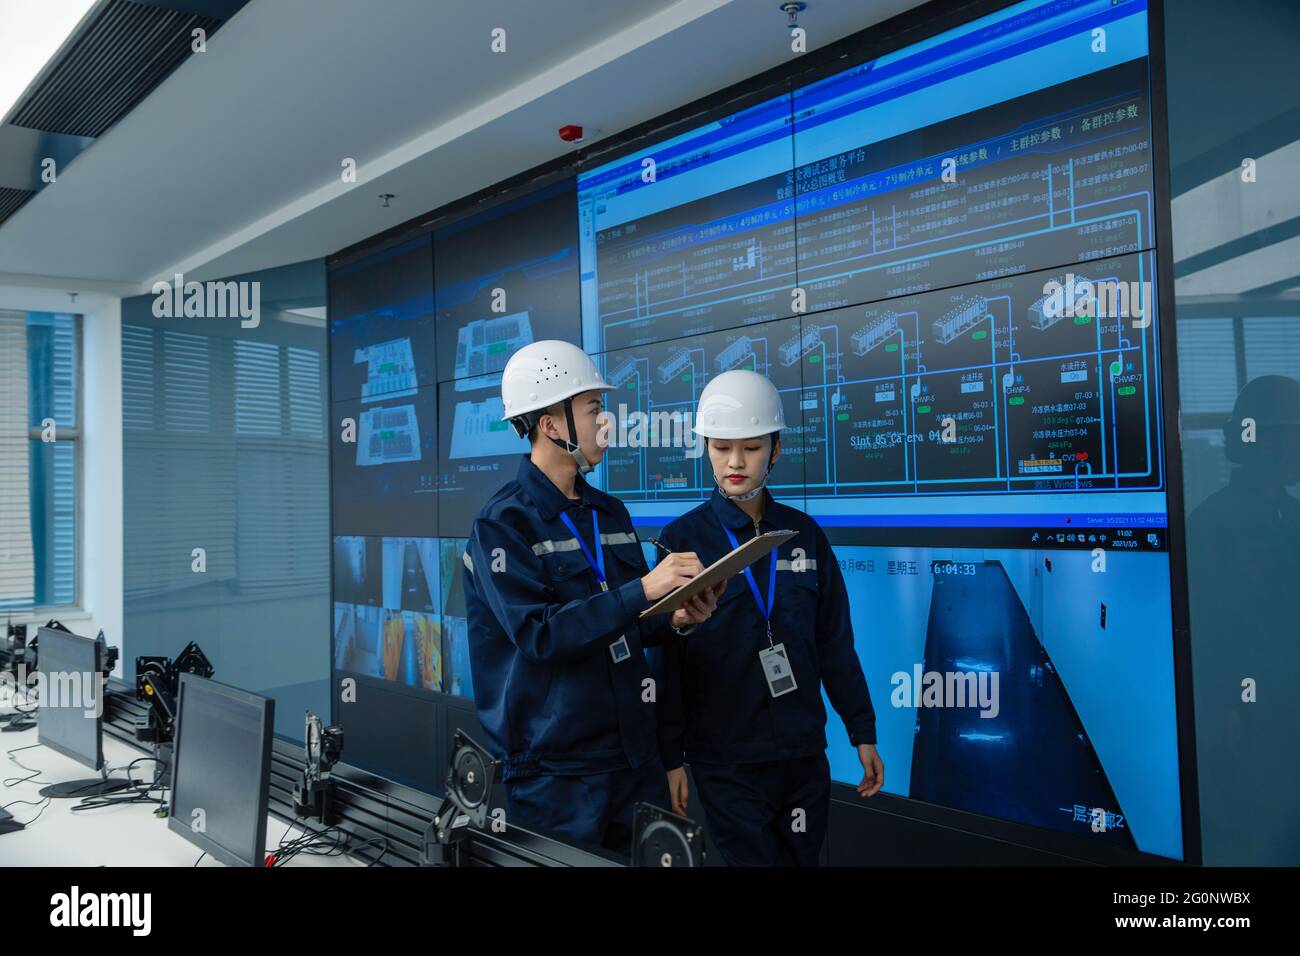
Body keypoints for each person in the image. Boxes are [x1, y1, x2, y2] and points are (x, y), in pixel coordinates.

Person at [462, 339, 722, 853]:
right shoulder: (501, 525)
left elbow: (631, 619)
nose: (606, 422)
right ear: (552, 425)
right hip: (555, 777)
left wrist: (676, 618)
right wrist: (646, 589)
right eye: (594, 409)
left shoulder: (611, 513)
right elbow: (541, 635)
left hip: (631, 760)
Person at [654, 369, 883, 866]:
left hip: (802, 756)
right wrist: (670, 756)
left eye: (752, 448)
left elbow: (835, 644)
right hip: (726, 762)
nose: (735, 462)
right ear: (706, 449)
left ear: (776, 450)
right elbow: (665, 661)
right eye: (720, 448)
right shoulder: (680, 543)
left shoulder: (805, 535)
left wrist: (861, 731)